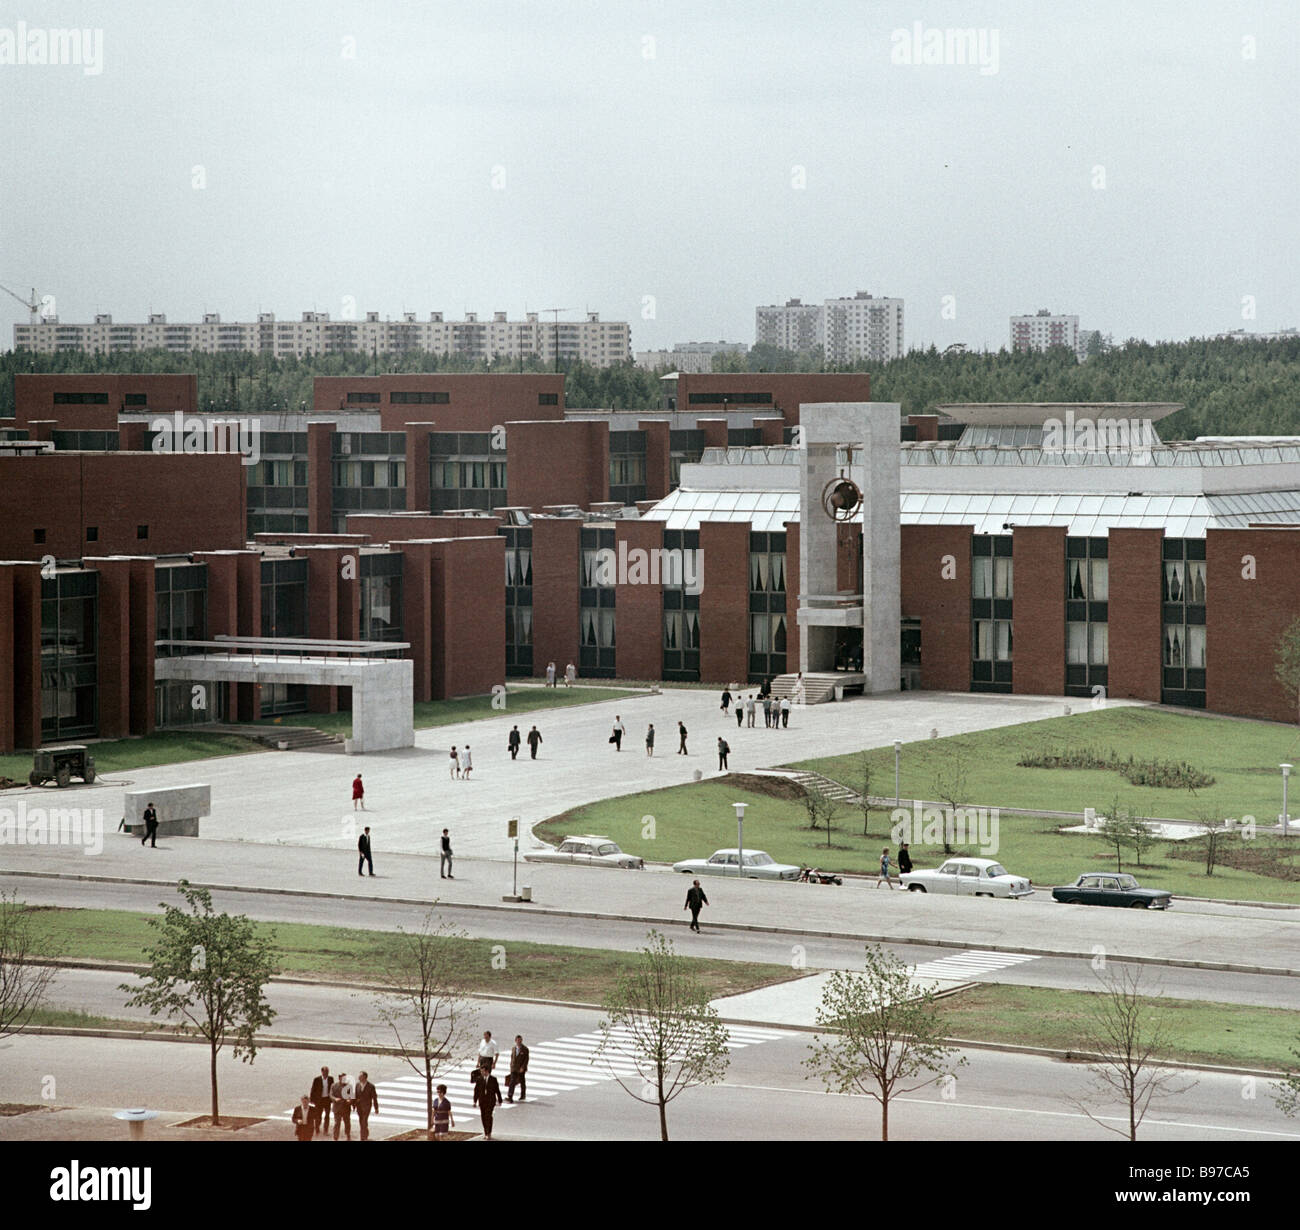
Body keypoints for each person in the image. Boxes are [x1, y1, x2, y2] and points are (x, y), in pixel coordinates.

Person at [473, 1067, 503, 1140]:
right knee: (483, 1116)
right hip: (482, 1101)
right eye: (481, 1071)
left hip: (490, 1101)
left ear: (486, 1071)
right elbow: (476, 1090)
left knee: (488, 1116)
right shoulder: (479, 1079)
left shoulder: (493, 1079)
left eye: (482, 1071)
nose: (481, 1072)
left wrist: (500, 1100)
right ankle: (486, 1132)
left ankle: (488, 1132)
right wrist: (475, 1101)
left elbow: (497, 1090)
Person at [353, 1071, 379, 1141]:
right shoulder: (357, 1085)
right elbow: (355, 1096)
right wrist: (354, 1105)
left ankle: (363, 1137)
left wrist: (376, 1108)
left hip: (366, 1107)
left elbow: (374, 1098)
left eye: (360, 1076)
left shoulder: (371, 1086)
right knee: (361, 1121)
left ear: (364, 1077)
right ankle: (365, 1133)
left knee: (364, 1121)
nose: (359, 1077)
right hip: (359, 1107)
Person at [310, 1065, 332, 1136]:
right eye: (325, 1071)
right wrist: (312, 1099)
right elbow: (313, 1089)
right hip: (319, 1100)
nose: (326, 1073)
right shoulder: (317, 1079)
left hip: (327, 1100)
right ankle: (317, 1129)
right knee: (318, 1115)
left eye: (327, 1071)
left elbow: (332, 1089)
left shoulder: (331, 1079)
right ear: (322, 1072)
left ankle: (326, 1130)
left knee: (327, 1115)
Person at [506, 1035, 529, 1102]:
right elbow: (512, 1057)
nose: (519, 1041)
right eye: (517, 1040)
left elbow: (526, 1059)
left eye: (520, 1040)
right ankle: (510, 1096)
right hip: (514, 1068)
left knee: (522, 1081)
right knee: (512, 1082)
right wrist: (511, 1066)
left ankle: (523, 1095)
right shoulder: (514, 1048)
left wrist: (523, 1067)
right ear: (515, 1040)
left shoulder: (525, 1049)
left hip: (521, 1069)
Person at [331, 1072, 354, 1140]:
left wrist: (349, 1100)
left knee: (347, 1123)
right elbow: (331, 1095)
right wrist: (335, 1099)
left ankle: (348, 1135)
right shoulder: (334, 1085)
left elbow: (352, 1096)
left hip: (345, 1107)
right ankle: (335, 1137)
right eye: (342, 1077)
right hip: (337, 1108)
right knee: (337, 1123)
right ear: (339, 1078)